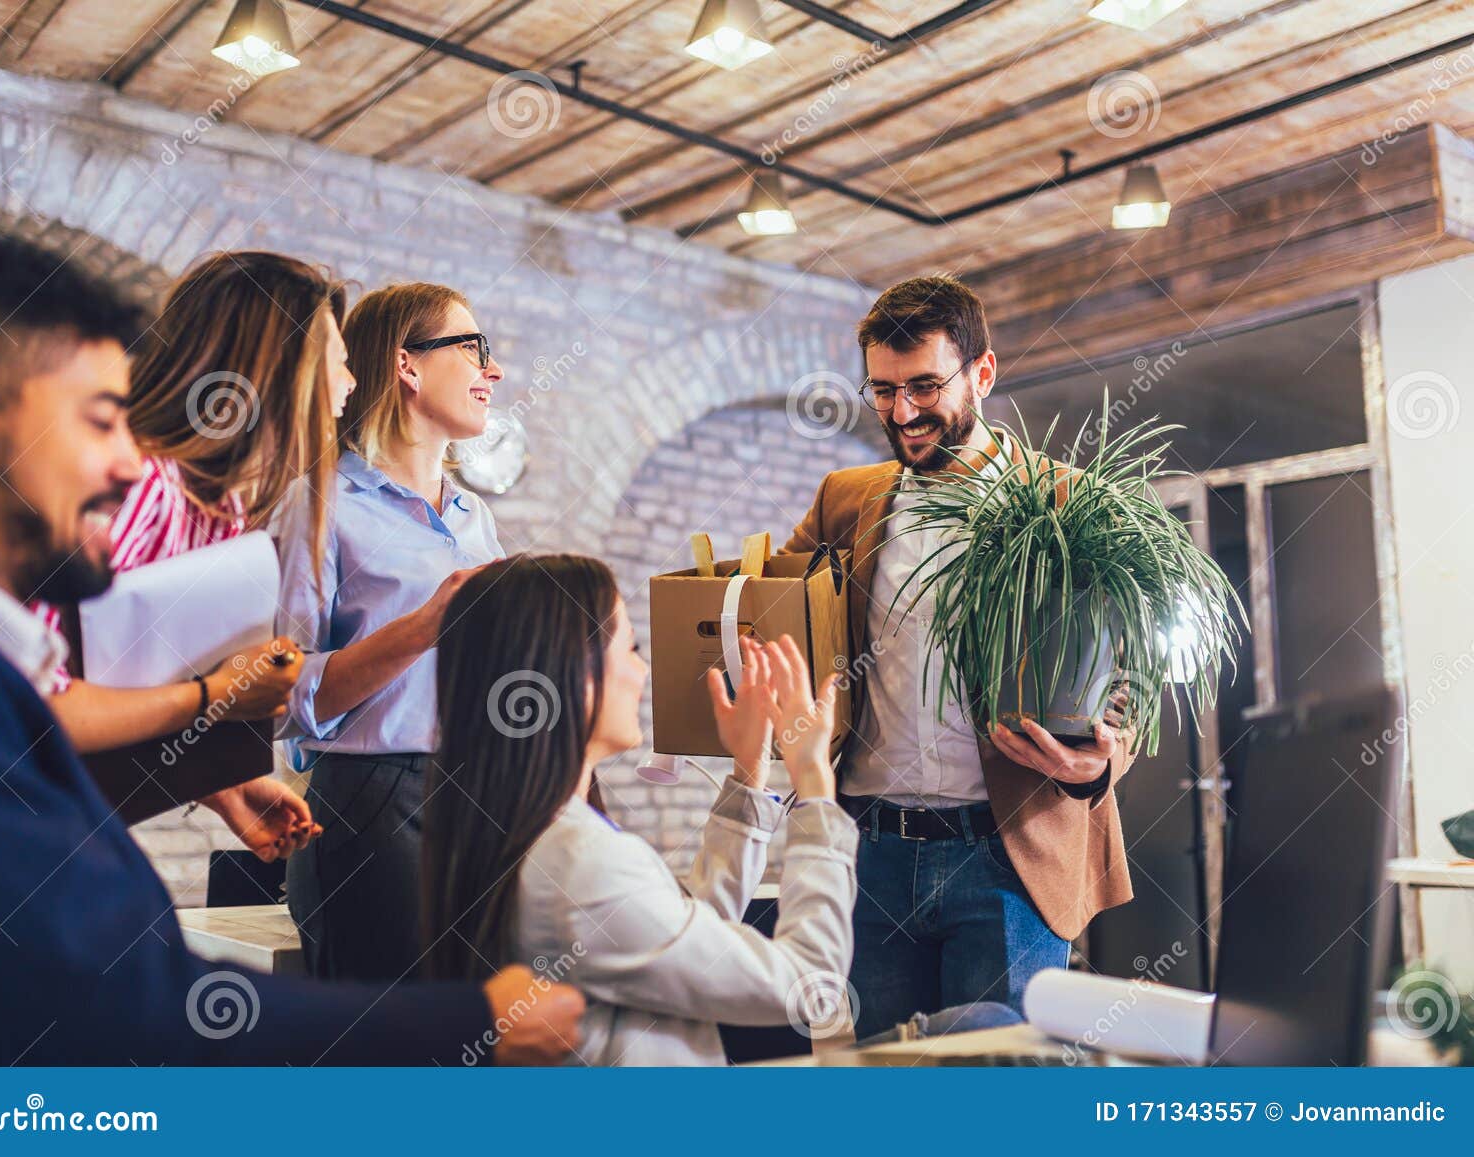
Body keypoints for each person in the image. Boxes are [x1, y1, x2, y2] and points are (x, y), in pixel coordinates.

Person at [0, 232, 582, 1064]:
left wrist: (222, 777)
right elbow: (119, 996)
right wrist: (218, 699)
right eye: (102, 420)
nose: (124, 459)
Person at [783, 274, 1136, 1030]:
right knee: (886, 1095)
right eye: (881, 390)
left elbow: (1130, 674)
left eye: (922, 386)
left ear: (982, 372)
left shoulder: (1069, 501)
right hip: (871, 854)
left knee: (997, 1096)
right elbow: (777, 614)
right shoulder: (844, 499)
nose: (902, 412)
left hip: (1008, 858)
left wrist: (1099, 761)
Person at [419, 554, 858, 1066]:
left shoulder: (529, 835)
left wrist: (748, 772)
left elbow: (681, 941)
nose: (642, 669)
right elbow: (809, 986)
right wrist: (815, 786)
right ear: (572, 673)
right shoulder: (580, 864)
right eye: (629, 647)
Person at [35, 250, 357, 862]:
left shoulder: (225, 513)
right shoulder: (132, 487)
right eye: (338, 366)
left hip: (69, 828)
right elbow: (32, 707)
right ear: (283, 372)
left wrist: (221, 786)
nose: (350, 386)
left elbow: (126, 682)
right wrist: (215, 695)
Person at [276, 282, 504, 982]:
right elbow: (280, 692)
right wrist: (422, 627)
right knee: (395, 1059)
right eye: (474, 349)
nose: (492, 372)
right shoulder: (319, 503)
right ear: (408, 364)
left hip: (482, 796)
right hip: (372, 806)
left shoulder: (475, 518)